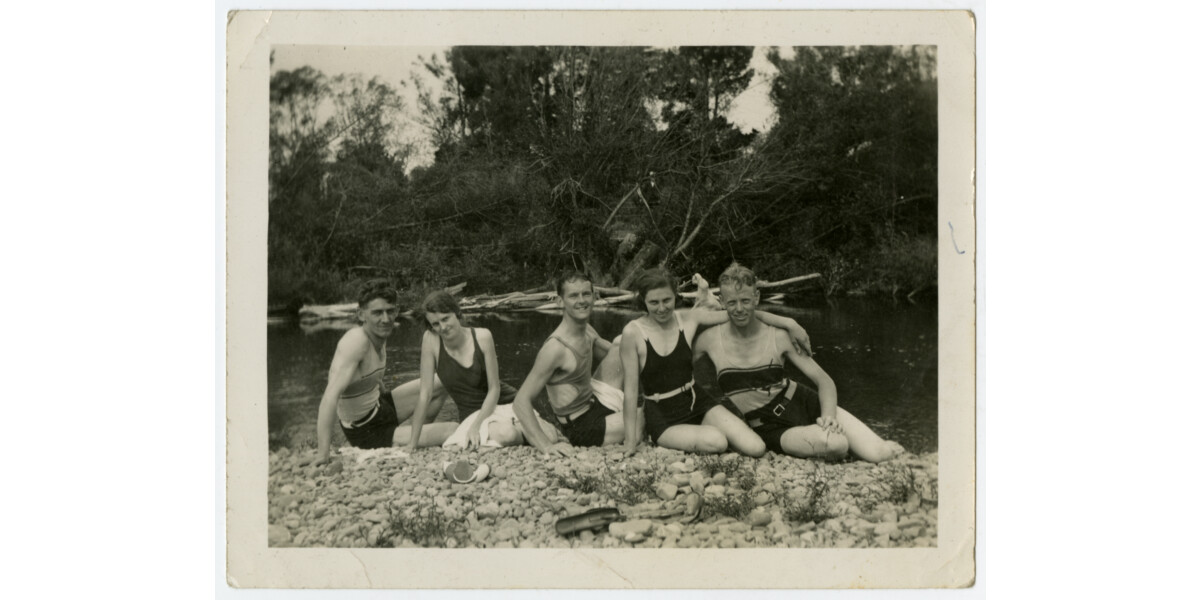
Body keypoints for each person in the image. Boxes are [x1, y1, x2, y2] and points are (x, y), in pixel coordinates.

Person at [693, 262, 905, 463]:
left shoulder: (779, 336)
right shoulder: (709, 340)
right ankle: (838, 442)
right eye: (732, 302)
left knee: (881, 454)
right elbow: (674, 359)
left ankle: (878, 444)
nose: (739, 308)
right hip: (770, 427)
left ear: (756, 298)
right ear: (722, 301)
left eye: (746, 301)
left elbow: (824, 381)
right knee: (836, 444)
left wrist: (829, 417)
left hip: (805, 402)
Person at [619, 269, 813, 457]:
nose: (662, 308)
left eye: (667, 300)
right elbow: (630, 391)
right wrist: (630, 440)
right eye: (654, 302)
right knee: (716, 442)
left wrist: (790, 323)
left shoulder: (689, 318)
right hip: (663, 415)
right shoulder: (633, 333)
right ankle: (666, 436)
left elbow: (740, 315)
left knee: (755, 448)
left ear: (675, 297)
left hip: (697, 401)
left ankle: (696, 433)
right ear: (643, 301)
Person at [312, 280, 456, 465]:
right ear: (361, 315)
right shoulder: (355, 342)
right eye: (377, 312)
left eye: (390, 311)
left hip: (380, 407)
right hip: (366, 431)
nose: (386, 319)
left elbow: (373, 377)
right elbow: (329, 398)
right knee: (452, 429)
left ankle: (418, 433)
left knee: (443, 379)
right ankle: (415, 437)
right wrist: (323, 453)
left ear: (396, 311)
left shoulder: (381, 333)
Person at [512, 271, 630, 456]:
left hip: (595, 403)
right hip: (581, 427)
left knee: (626, 341)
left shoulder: (586, 329)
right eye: (574, 295)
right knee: (642, 417)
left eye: (586, 294)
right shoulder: (555, 348)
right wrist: (546, 446)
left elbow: (619, 354)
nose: (581, 300)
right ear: (560, 302)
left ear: (594, 296)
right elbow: (520, 401)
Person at [406, 291, 526, 452]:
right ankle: (522, 430)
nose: (442, 327)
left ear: (457, 313)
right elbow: (425, 394)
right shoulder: (430, 340)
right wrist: (412, 444)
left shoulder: (483, 336)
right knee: (508, 434)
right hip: (472, 414)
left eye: (445, 318)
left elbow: (494, 389)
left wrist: (476, 426)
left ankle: (522, 426)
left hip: (506, 402)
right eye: (435, 324)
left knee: (546, 435)